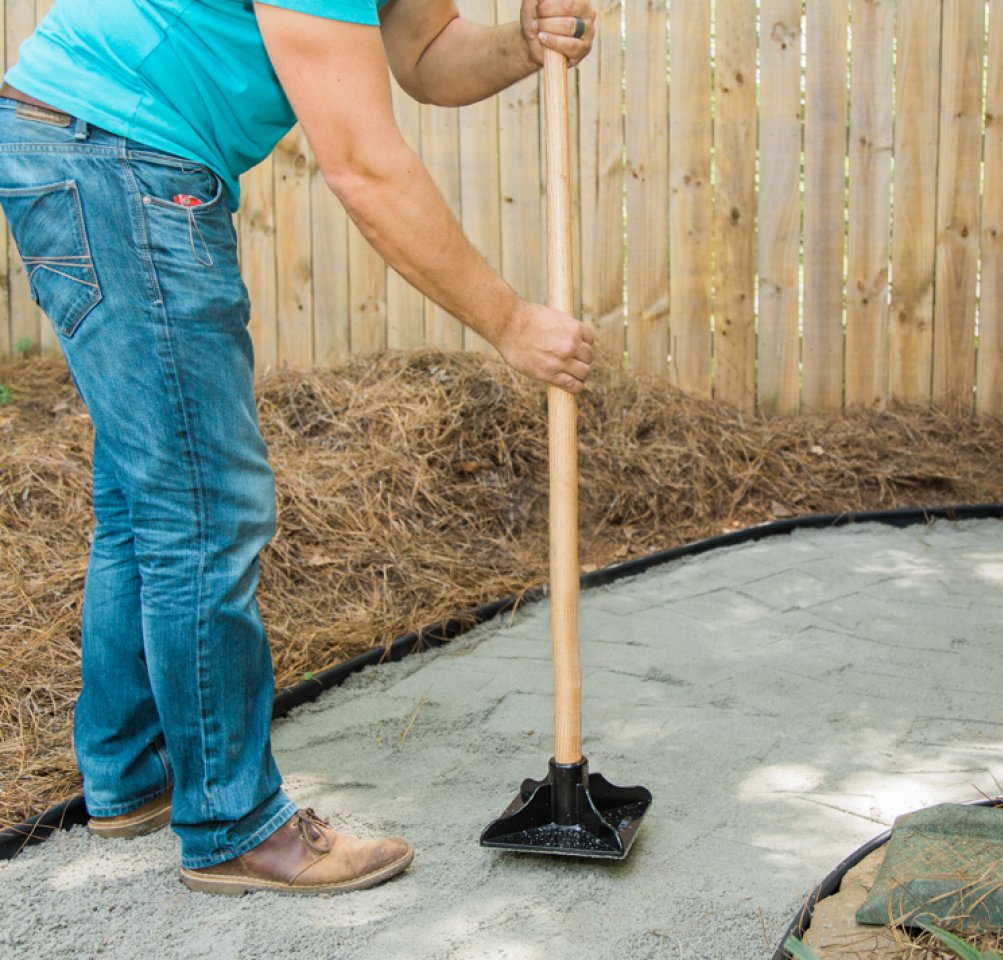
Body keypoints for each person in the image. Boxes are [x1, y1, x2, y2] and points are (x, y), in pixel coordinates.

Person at [0, 0, 597, 895]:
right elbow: (363, 165)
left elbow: (427, 51)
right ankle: (232, 825)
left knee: (146, 494)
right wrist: (511, 323)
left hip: (90, 142)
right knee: (206, 507)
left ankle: (130, 773)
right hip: (116, 156)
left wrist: (521, 43)